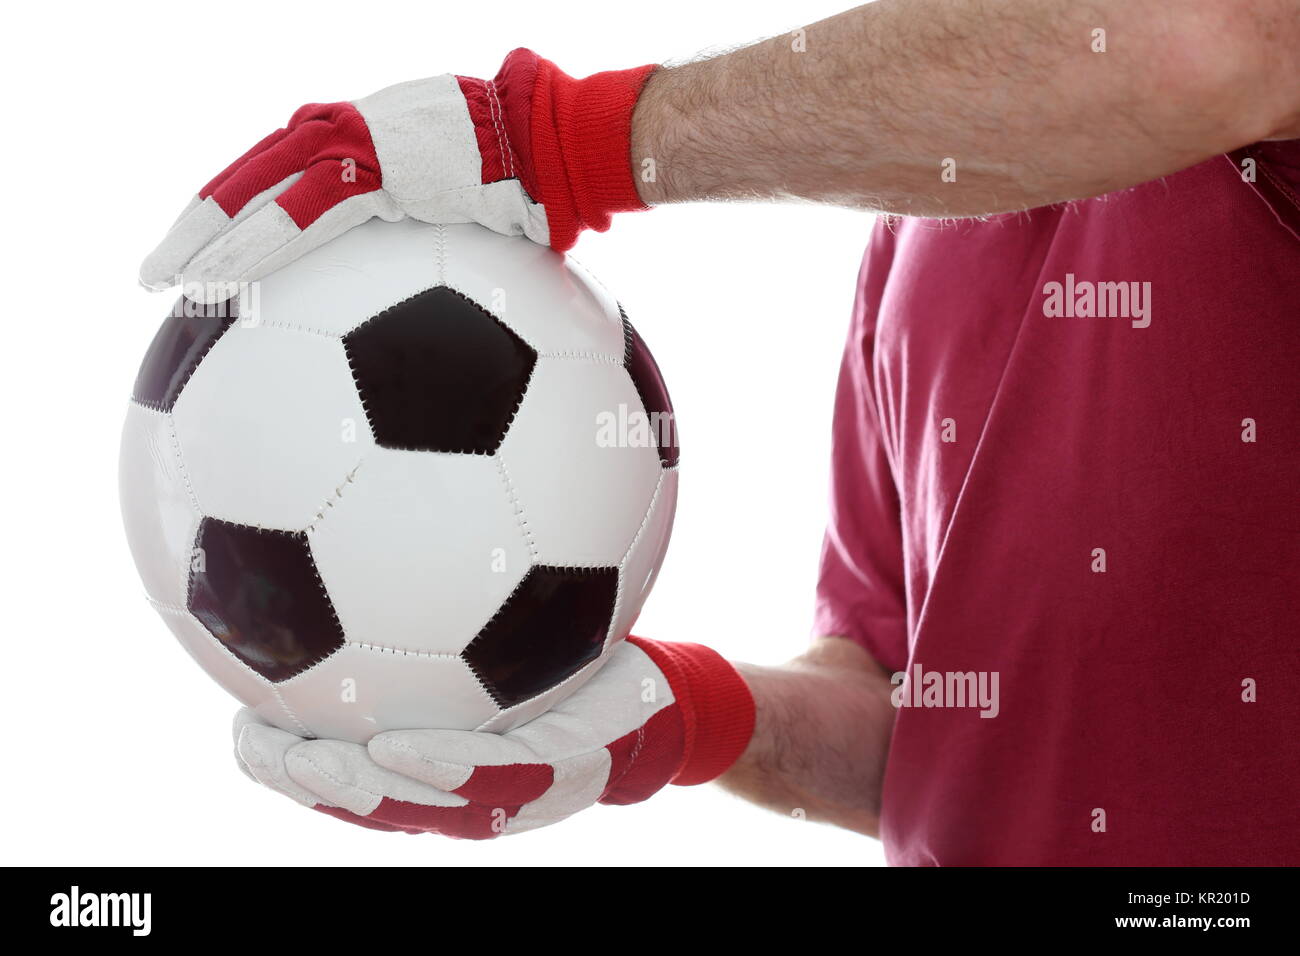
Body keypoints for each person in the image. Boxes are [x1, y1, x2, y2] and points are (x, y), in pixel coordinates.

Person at [141, 0, 1300, 864]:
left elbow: (1200, 43)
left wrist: (555, 139)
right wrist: (680, 719)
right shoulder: (916, 235)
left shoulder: (1231, 56)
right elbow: (924, 734)